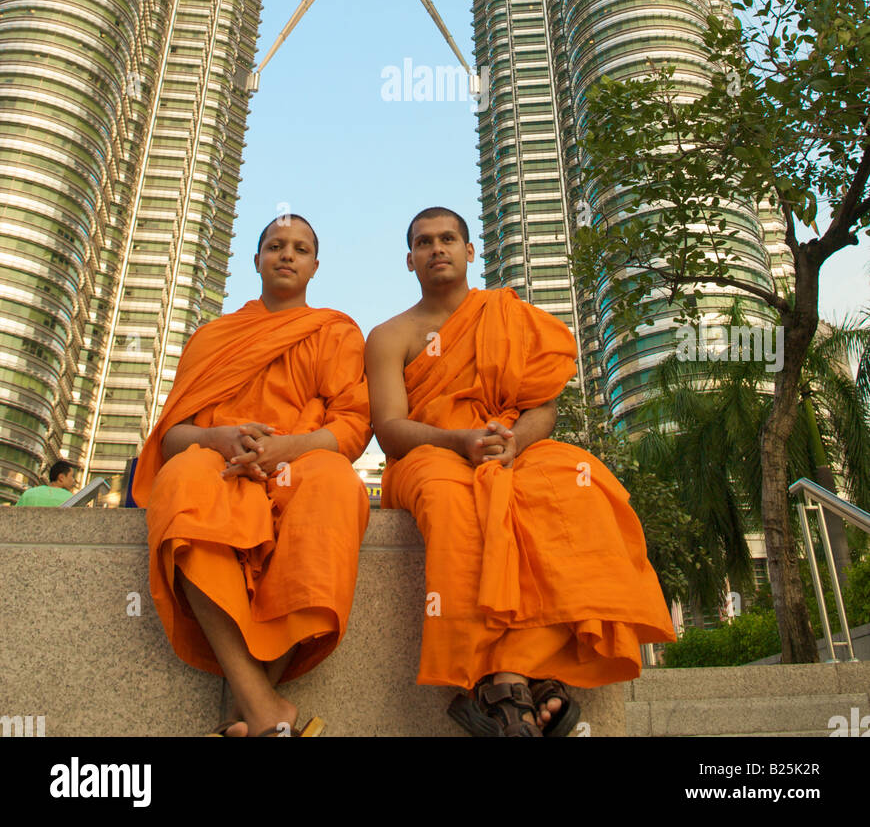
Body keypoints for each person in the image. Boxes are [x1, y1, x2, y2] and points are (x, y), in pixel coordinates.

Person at [365, 206, 676, 738]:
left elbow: (543, 410)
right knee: (455, 504)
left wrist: (511, 445)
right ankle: (512, 677)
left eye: (447, 239)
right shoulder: (389, 335)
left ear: (469, 251)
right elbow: (391, 430)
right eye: (423, 242)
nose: (436, 248)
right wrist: (459, 441)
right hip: (429, 454)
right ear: (409, 259)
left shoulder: (510, 316)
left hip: (511, 445)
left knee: (578, 479)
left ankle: (513, 679)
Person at [132, 214, 371, 738]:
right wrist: (219, 438)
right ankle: (266, 711)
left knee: (333, 485)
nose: (287, 254)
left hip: (300, 461)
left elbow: (352, 427)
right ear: (256, 259)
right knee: (183, 481)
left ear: (314, 266)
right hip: (217, 461)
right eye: (275, 245)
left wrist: (285, 447)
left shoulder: (334, 331)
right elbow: (172, 437)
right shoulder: (214, 337)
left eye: (300, 248)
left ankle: (249, 712)